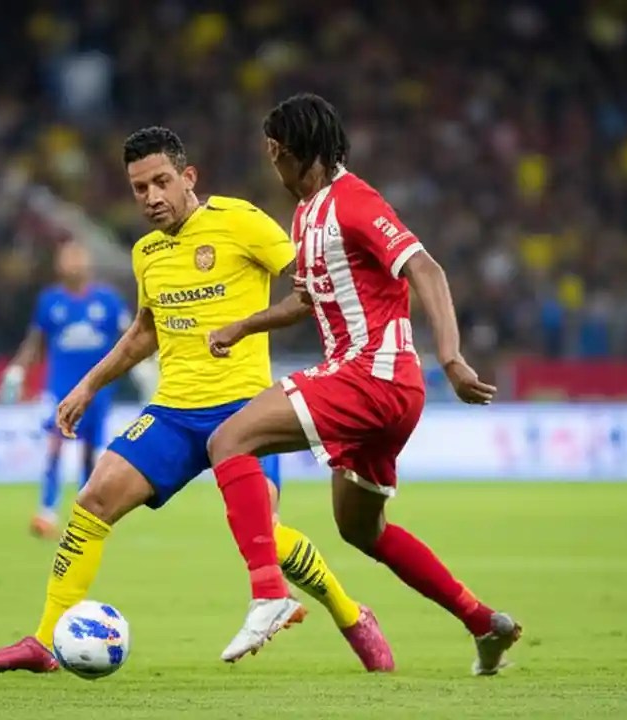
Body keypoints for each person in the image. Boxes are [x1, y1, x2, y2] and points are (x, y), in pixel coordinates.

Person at [0, 126, 393, 673]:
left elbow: (310, 284)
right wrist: (88, 385)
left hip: (246, 412)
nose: (151, 198)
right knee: (94, 499)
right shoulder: (146, 253)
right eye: (139, 188)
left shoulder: (241, 222)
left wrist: (320, 347)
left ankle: (351, 614)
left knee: (265, 533)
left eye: (161, 182)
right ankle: (44, 640)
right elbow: (145, 332)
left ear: (188, 177)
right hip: (173, 412)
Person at [204, 94, 522, 674]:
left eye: (272, 155)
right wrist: (245, 325)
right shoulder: (307, 214)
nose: (270, 168)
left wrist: (450, 357)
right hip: (386, 393)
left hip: (370, 375)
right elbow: (308, 301)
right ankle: (484, 623)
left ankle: (269, 592)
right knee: (360, 530)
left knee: (228, 441)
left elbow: (426, 268)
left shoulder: (354, 201)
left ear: (288, 151)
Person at [0, 242, 131, 538]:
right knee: (55, 446)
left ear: (88, 261)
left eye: (77, 255)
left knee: (89, 453)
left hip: (98, 390)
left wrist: (148, 366)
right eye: (67, 257)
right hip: (60, 389)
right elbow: (35, 342)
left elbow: (131, 337)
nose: (73, 262)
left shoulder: (108, 301)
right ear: (59, 264)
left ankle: (86, 513)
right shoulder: (50, 302)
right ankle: (46, 510)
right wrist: (17, 369)